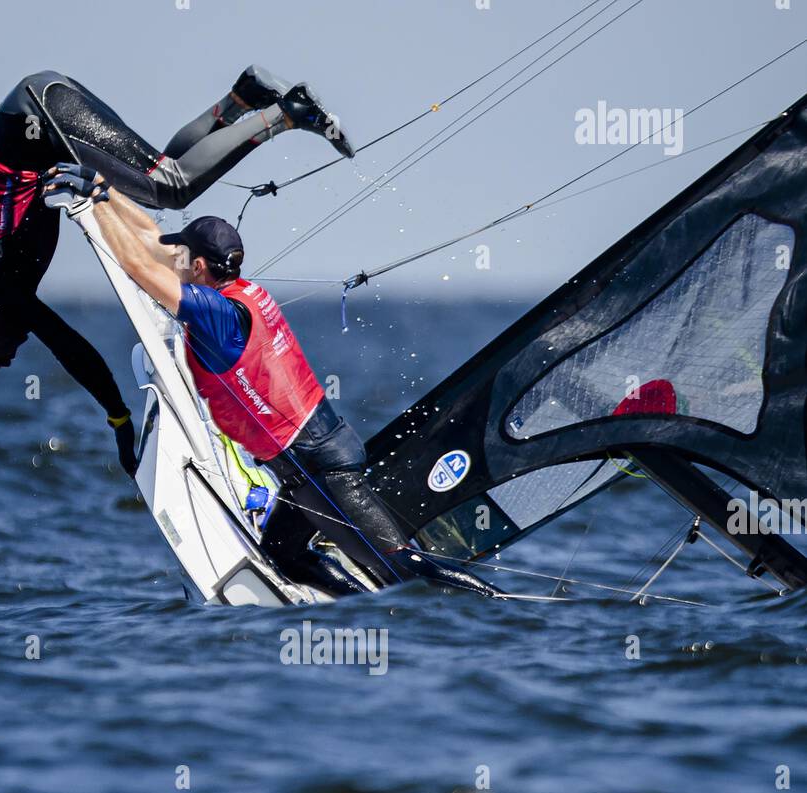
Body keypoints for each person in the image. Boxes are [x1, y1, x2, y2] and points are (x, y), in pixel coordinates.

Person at [48, 167, 502, 597]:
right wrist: (104, 191)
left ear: (201, 265)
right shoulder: (242, 291)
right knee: (284, 555)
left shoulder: (217, 314)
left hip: (320, 467)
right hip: (314, 454)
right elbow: (152, 244)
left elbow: (137, 267)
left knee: (399, 566)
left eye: (184, 256)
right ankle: (353, 605)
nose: (174, 260)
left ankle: (498, 608)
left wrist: (91, 208)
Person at [0, 68, 353, 476]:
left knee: (170, 186)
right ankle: (243, 98)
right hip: (37, 108)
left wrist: (118, 419)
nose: (6, 361)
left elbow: (70, 347)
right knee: (161, 173)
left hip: (38, 116)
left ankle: (288, 113)